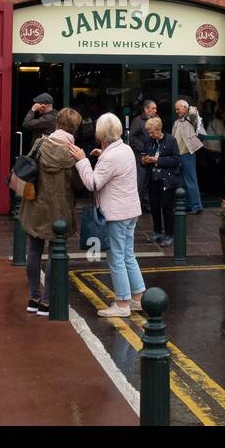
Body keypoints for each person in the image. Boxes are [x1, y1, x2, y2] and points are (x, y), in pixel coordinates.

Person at [68, 113, 145, 317]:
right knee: (128, 254)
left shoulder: (109, 157)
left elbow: (93, 183)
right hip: (130, 212)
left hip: (116, 214)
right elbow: (114, 169)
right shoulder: (125, 149)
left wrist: (82, 161)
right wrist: (101, 155)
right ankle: (137, 298)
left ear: (100, 133)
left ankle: (121, 304)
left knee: (116, 257)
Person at [21, 107, 85, 315]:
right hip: (60, 208)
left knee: (34, 251)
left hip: (37, 205)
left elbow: (26, 167)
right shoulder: (73, 153)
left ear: (57, 122)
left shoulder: (40, 143)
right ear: (74, 129)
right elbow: (78, 184)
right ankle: (47, 301)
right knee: (55, 253)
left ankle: (33, 298)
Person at [142, 116, 182, 246]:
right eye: (149, 132)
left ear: (159, 129)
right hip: (153, 178)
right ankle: (157, 232)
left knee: (166, 207)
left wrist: (157, 160)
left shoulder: (171, 140)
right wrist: (144, 160)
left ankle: (170, 235)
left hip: (167, 179)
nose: (150, 135)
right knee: (154, 206)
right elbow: (143, 156)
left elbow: (176, 160)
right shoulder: (149, 141)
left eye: (152, 132)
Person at [172, 99, 205, 213]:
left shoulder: (191, 118)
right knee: (181, 182)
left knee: (191, 181)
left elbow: (193, 111)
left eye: (178, 108)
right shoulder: (177, 122)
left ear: (185, 108)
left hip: (187, 154)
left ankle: (196, 206)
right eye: (176, 109)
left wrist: (188, 107)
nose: (177, 111)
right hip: (178, 155)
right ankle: (186, 205)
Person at [128, 99, 157, 211]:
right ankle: (136, 207)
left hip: (151, 156)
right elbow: (132, 138)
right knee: (140, 182)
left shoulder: (155, 120)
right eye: (153, 108)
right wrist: (144, 149)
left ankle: (146, 205)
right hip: (140, 157)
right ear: (146, 109)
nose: (155, 110)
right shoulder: (137, 121)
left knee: (148, 183)